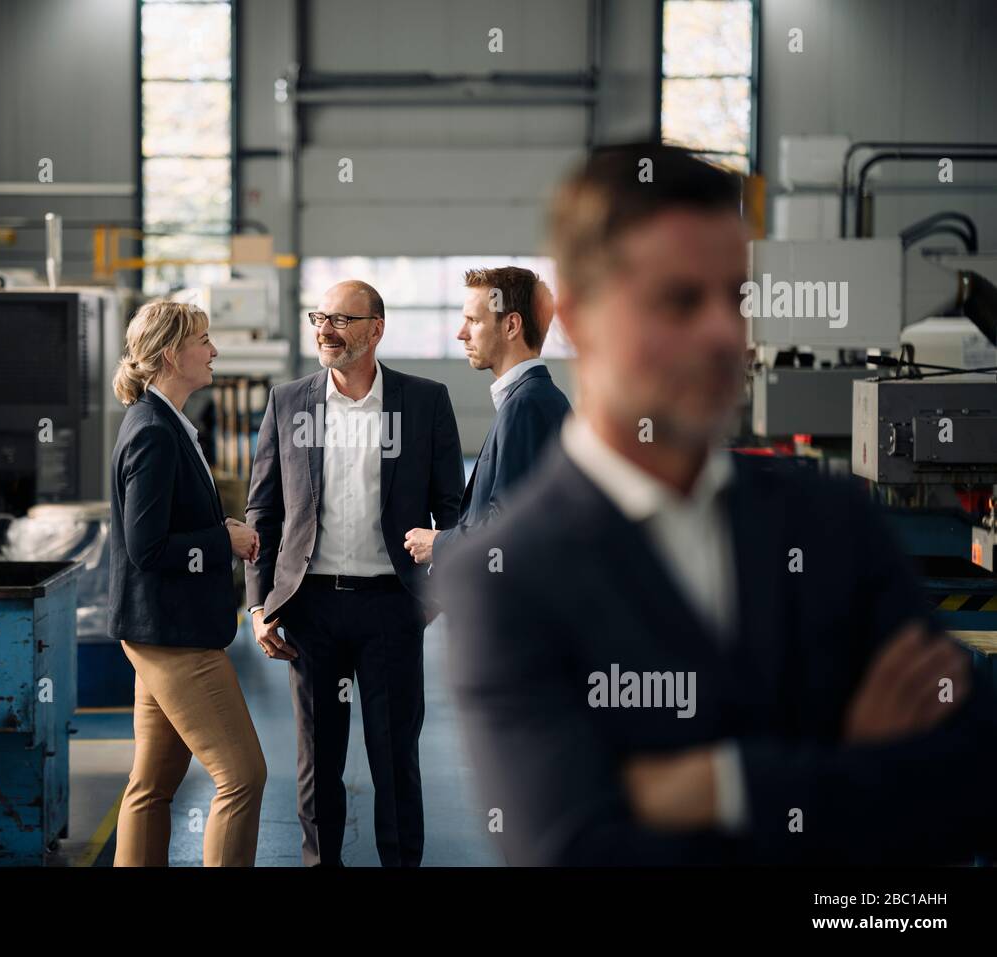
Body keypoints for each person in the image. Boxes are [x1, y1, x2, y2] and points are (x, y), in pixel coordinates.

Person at [433, 143, 997, 865]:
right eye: (680, 300)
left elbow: (973, 781)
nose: (726, 334)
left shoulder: (830, 523)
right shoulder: (503, 579)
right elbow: (578, 849)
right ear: (581, 317)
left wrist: (715, 784)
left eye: (736, 298)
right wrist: (849, 764)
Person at [244, 279, 464, 866]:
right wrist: (260, 606)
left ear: (376, 329)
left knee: (395, 758)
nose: (324, 328)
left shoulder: (423, 403)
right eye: (320, 316)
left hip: (392, 606)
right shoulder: (288, 402)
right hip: (310, 610)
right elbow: (262, 512)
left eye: (341, 319)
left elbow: (454, 509)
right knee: (318, 762)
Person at [108, 300, 266, 867]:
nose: (214, 349)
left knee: (151, 787)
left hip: (157, 629)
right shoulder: (153, 432)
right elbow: (146, 547)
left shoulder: (165, 421)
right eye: (204, 339)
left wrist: (216, 530)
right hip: (174, 636)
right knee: (243, 777)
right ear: (173, 354)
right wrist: (221, 541)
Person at [403, 267, 571, 566]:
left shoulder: (526, 405)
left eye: (474, 320)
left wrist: (439, 543)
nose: (460, 333)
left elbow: (513, 526)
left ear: (511, 326)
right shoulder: (537, 399)